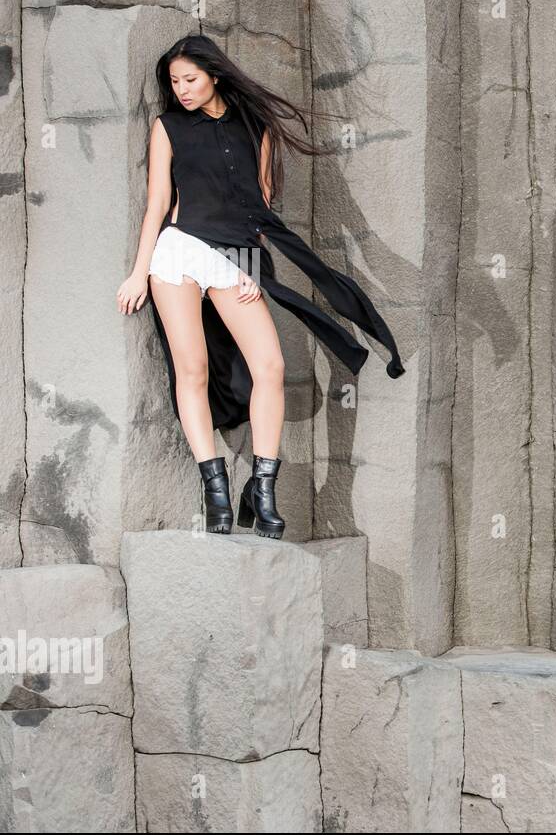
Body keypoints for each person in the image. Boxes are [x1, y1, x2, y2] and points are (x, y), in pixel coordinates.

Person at [115, 35, 403, 538]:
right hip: (178, 252)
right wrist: (139, 270)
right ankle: (216, 489)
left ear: (215, 75)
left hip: (234, 258)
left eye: (190, 79)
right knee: (193, 369)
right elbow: (158, 201)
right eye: (174, 82)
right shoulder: (168, 127)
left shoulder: (257, 128)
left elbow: (261, 207)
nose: (181, 89)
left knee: (270, 366)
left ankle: (261, 489)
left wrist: (252, 268)